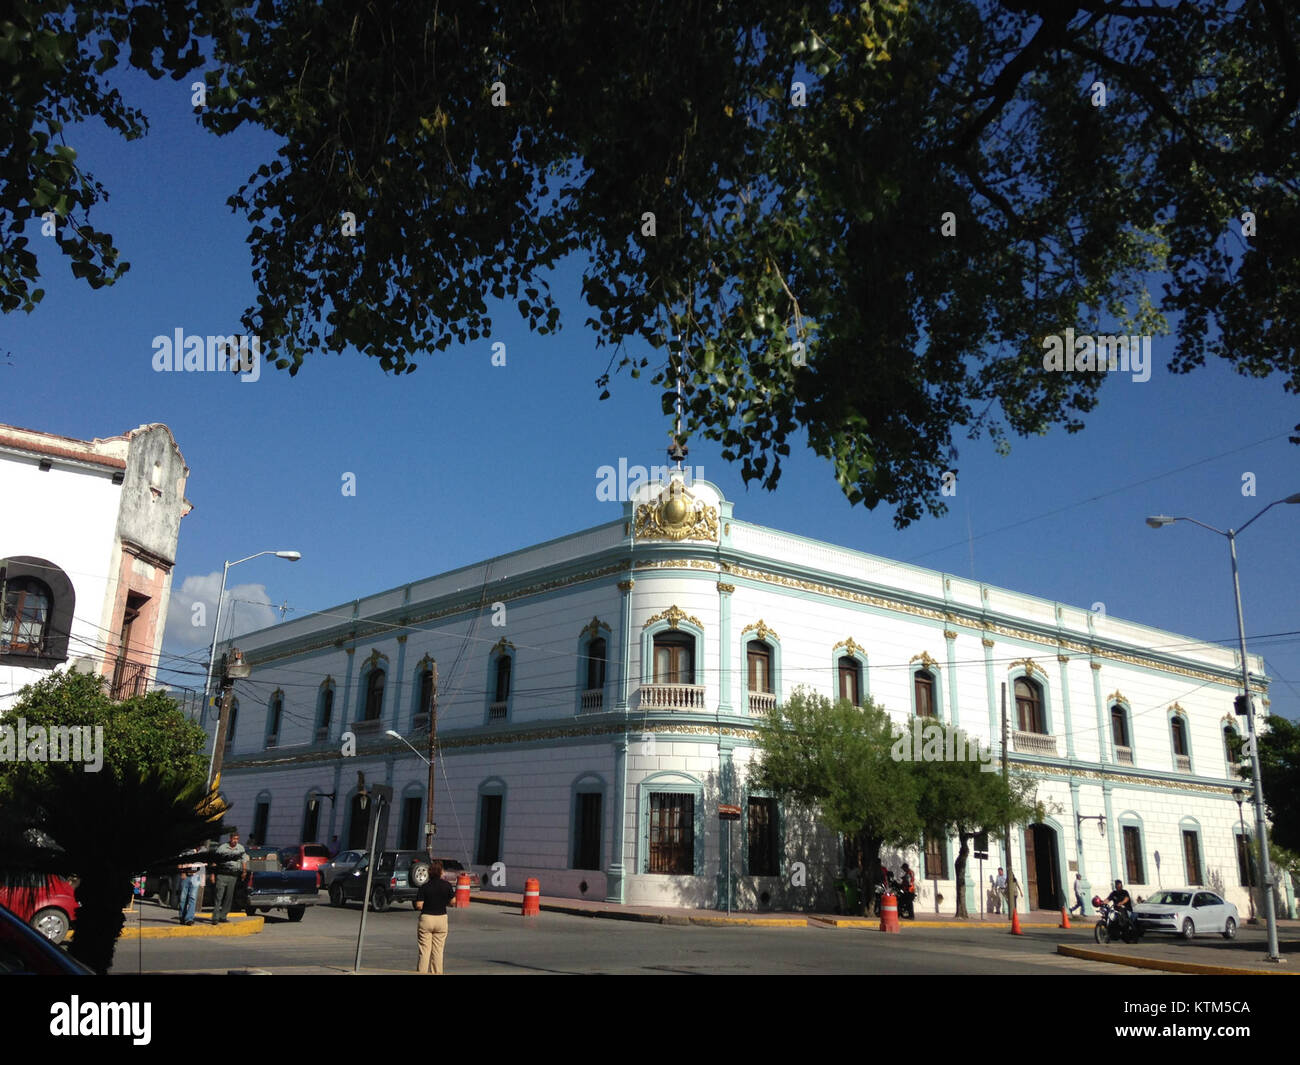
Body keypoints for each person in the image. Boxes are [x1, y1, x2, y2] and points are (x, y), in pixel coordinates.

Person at [415, 860, 455, 974]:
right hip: (441, 918)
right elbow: (453, 902)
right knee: (438, 951)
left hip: (427, 918)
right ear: (441, 872)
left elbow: (419, 905)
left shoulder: (424, 887)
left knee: (424, 950)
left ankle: (421, 972)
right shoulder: (446, 886)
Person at [212, 831, 248, 924]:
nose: (235, 841)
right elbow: (215, 861)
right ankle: (215, 917)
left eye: (237, 839)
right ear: (230, 838)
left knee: (229, 897)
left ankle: (223, 916)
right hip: (222, 874)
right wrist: (212, 874)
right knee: (218, 896)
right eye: (234, 839)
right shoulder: (222, 847)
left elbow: (244, 860)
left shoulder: (240, 848)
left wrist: (244, 871)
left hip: (233, 875)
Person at [177, 848, 204, 926]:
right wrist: (182, 872)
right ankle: (182, 917)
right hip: (185, 875)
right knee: (183, 898)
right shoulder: (186, 850)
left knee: (192, 898)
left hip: (196, 876)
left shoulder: (203, 850)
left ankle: (189, 919)